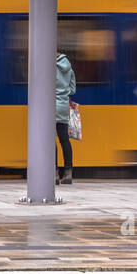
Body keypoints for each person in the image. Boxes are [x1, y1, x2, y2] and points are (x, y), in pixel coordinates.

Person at [55, 50, 77, 184]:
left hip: (49, 105)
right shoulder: (69, 68)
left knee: (49, 141)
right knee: (64, 140)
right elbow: (73, 90)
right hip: (63, 106)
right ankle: (68, 174)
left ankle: (54, 174)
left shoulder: (48, 67)